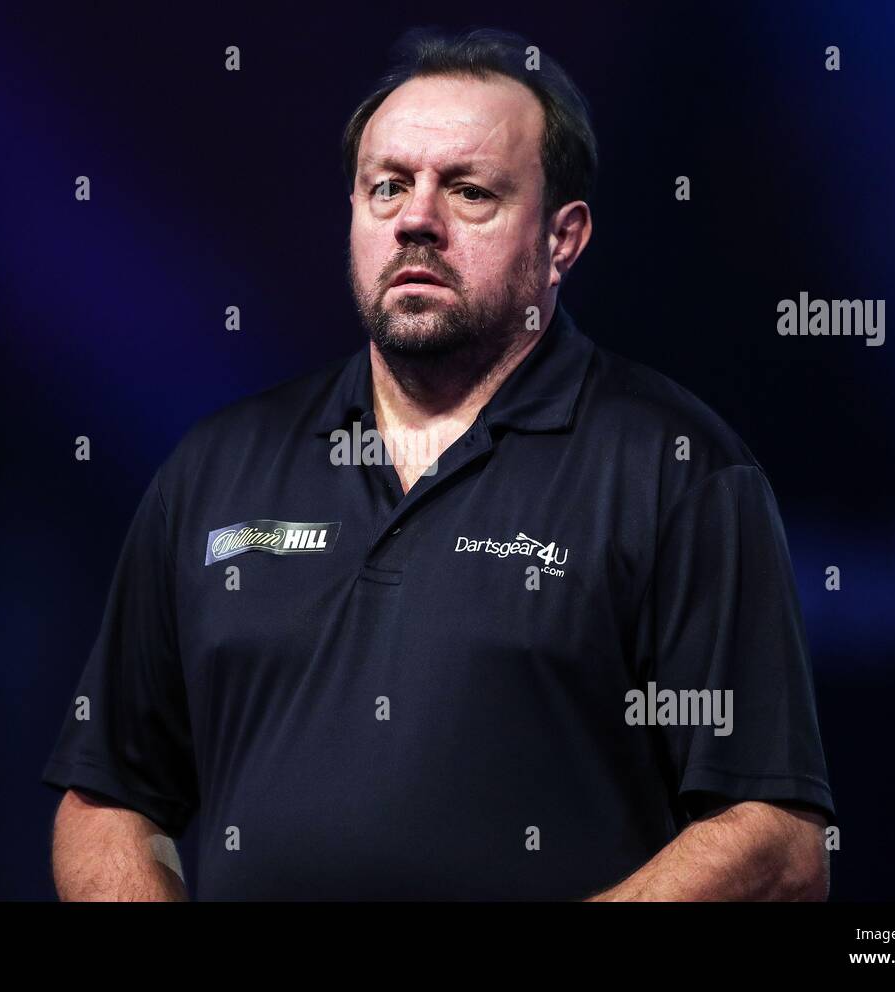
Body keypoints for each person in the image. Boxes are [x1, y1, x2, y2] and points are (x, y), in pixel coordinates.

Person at [43, 27, 835, 901]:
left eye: (468, 191)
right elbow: (108, 799)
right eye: (388, 187)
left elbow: (778, 841)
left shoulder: (677, 471)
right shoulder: (217, 466)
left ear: (563, 237)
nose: (417, 218)